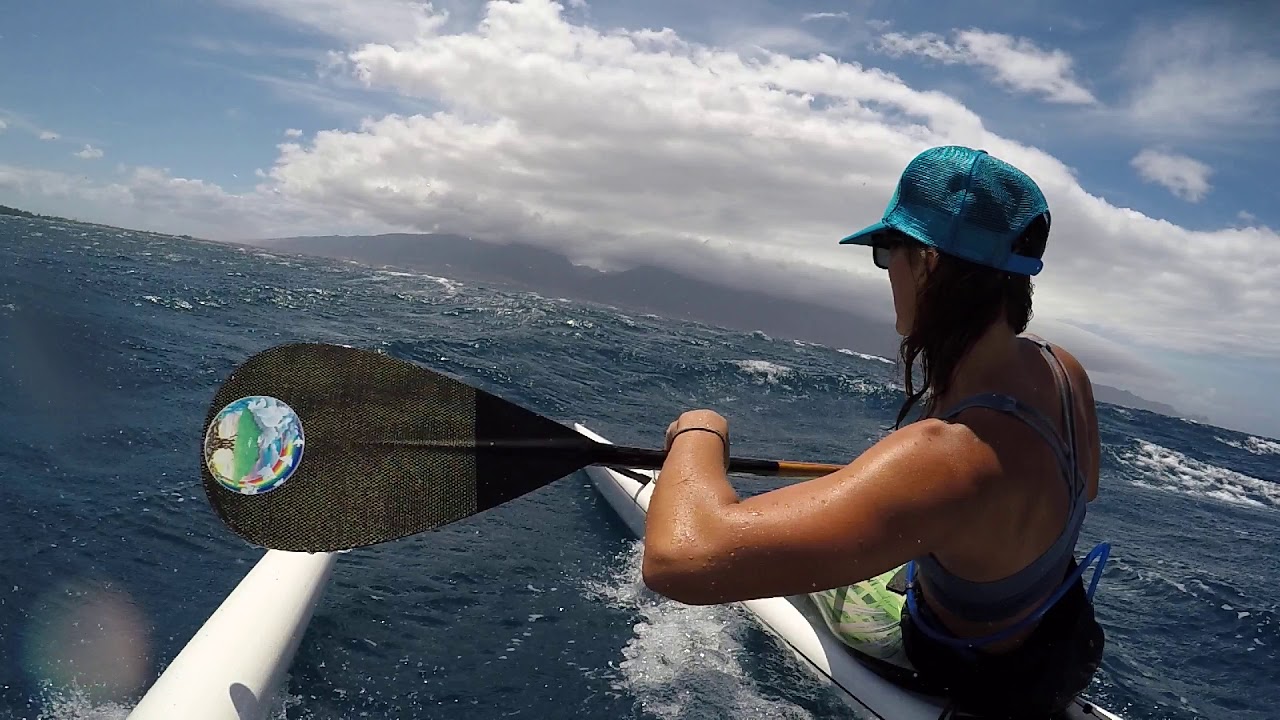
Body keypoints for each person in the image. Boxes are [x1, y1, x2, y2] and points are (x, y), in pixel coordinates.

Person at [642, 145, 1110, 717]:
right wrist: (963, 522)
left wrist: (699, 431)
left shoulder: (944, 459)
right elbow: (1082, 488)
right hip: (1061, 645)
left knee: (755, 532)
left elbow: (679, 561)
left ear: (927, 264)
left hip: (967, 668)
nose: (888, 271)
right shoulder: (1062, 369)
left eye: (888, 252)